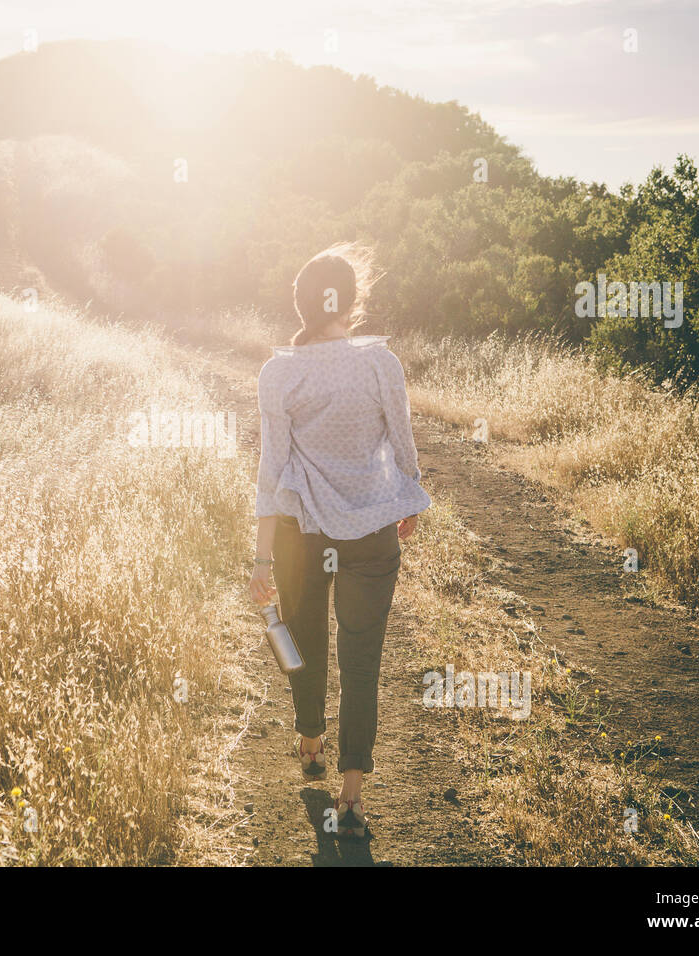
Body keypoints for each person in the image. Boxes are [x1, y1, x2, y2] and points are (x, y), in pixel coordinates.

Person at [248, 243, 430, 839]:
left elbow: (271, 473)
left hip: (304, 535)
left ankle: (309, 738)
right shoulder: (382, 365)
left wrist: (260, 559)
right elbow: (404, 450)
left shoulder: (280, 372)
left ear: (301, 304)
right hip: (373, 532)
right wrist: (409, 499)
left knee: (302, 640)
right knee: (362, 658)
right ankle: (351, 794)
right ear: (352, 302)